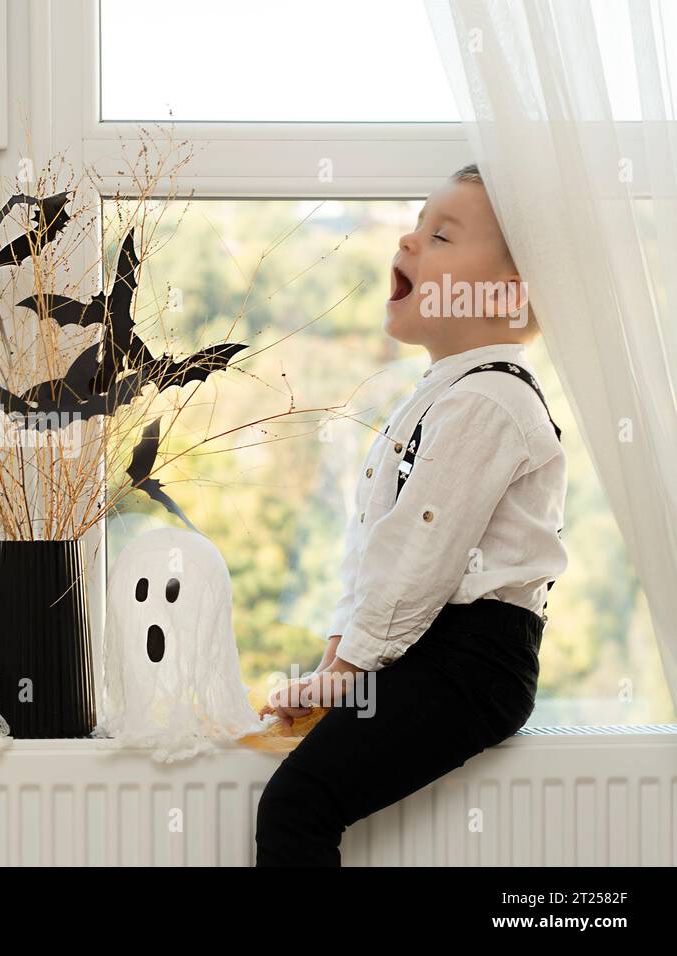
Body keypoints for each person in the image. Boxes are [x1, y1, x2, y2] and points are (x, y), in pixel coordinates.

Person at [254, 163, 568, 866]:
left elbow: (421, 556)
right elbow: (376, 547)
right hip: (424, 643)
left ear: (505, 294)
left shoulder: (490, 403)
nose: (408, 239)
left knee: (296, 805)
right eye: (417, 223)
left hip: (471, 660)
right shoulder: (439, 395)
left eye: (442, 235)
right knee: (303, 793)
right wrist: (339, 660)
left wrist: (349, 671)